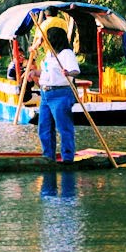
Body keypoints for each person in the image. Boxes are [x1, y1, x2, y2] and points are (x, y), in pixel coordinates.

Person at [36, 22, 80, 162]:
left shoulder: (66, 54)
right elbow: (46, 71)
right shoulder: (50, 54)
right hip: (45, 94)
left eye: (48, 39)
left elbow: (75, 71)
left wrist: (68, 72)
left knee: (63, 128)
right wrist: (34, 73)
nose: (46, 42)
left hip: (60, 94)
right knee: (44, 128)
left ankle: (67, 158)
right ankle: (48, 157)